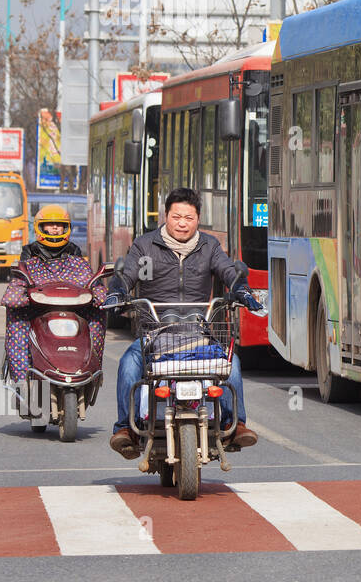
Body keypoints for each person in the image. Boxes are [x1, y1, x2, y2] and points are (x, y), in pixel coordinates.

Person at [103, 187, 263, 458]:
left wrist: (242, 289)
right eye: (176, 216)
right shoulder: (146, 245)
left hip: (198, 332)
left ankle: (235, 425)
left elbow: (227, 270)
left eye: (188, 217)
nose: (182, 223)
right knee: (129, 363)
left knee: (230, 362)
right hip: (155, 333)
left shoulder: (209, 246)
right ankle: (125, 429)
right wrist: (118, 290)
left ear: (198, 218)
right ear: (166, 215)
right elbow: (129, 274)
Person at [0, 205, 106, 397]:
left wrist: (98, 294)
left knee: (98, 314)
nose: (55, 229)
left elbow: (89, 281)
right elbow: (19, 282)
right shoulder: (28, 253)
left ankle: (92, 373)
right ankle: (23, 382)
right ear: (40, 227)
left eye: (60, 225)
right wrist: (20, 295)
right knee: (16, 321)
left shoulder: (75, 253)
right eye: (50, 225)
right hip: (37, 309)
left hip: (73, 309)